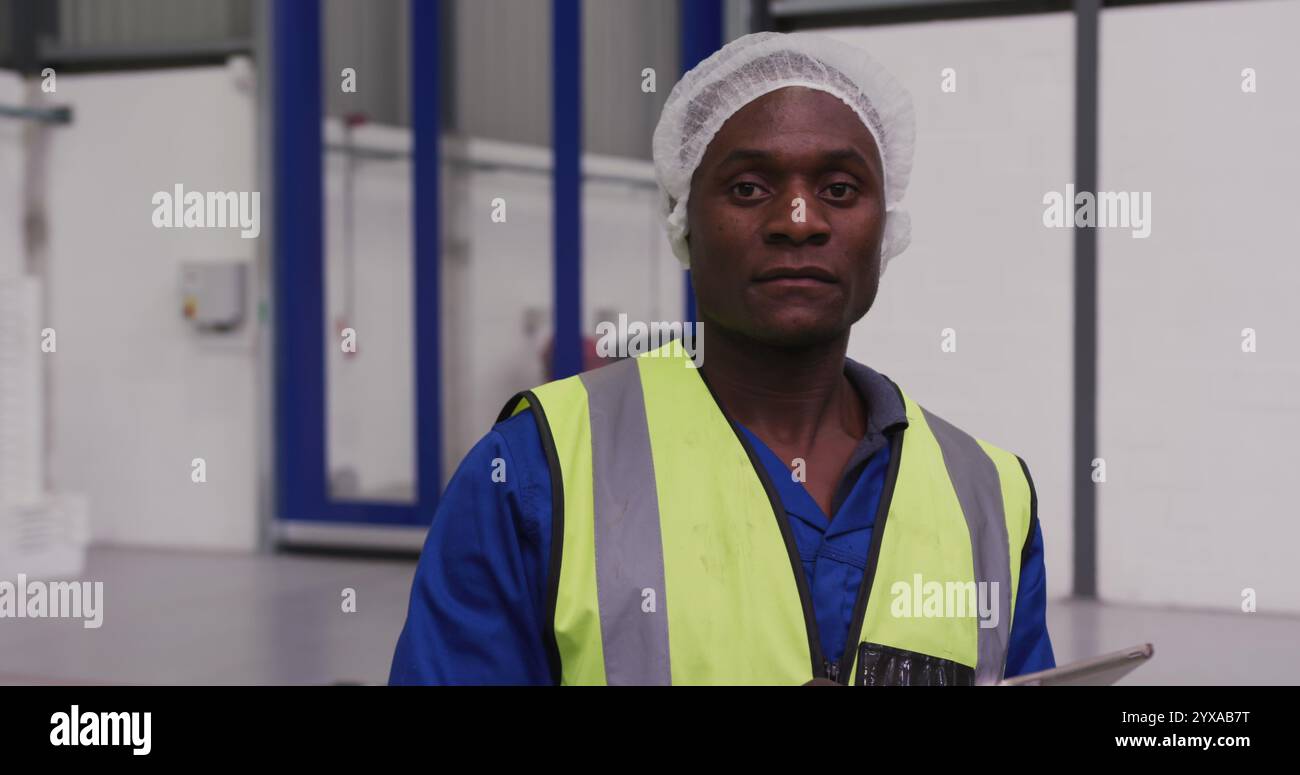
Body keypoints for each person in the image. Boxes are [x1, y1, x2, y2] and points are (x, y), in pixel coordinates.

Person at [390, 30, 1055, 685]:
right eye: (748, 188)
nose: (799, 219)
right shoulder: (539, 470)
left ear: (886, 226)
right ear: (685, 220)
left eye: (841, 189)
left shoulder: (987, 495)